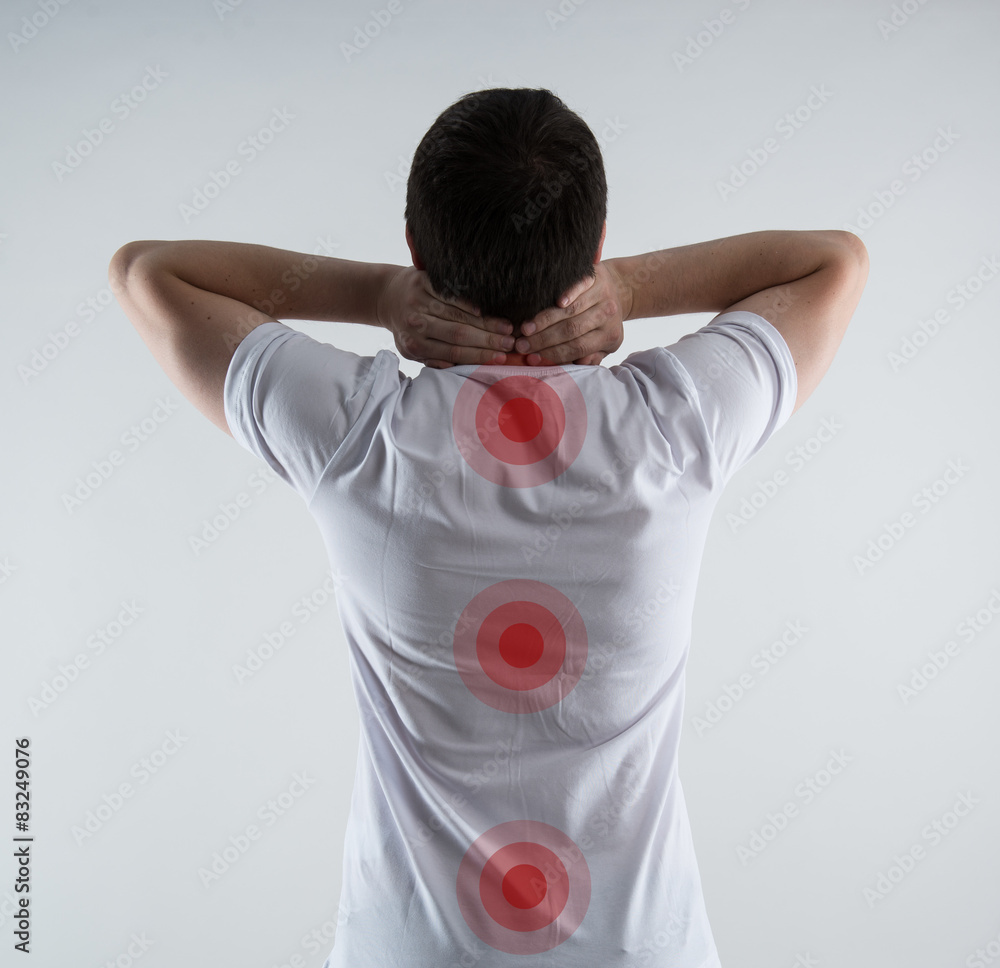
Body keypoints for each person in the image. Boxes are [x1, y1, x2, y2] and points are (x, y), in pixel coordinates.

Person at [109, 87, 868, 967]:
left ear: (415, 248)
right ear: (594, 242)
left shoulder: (359, 435)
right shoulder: (674, 429)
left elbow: (146, 273)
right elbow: (835, 263)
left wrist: (380, 296)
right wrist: (629, 288)